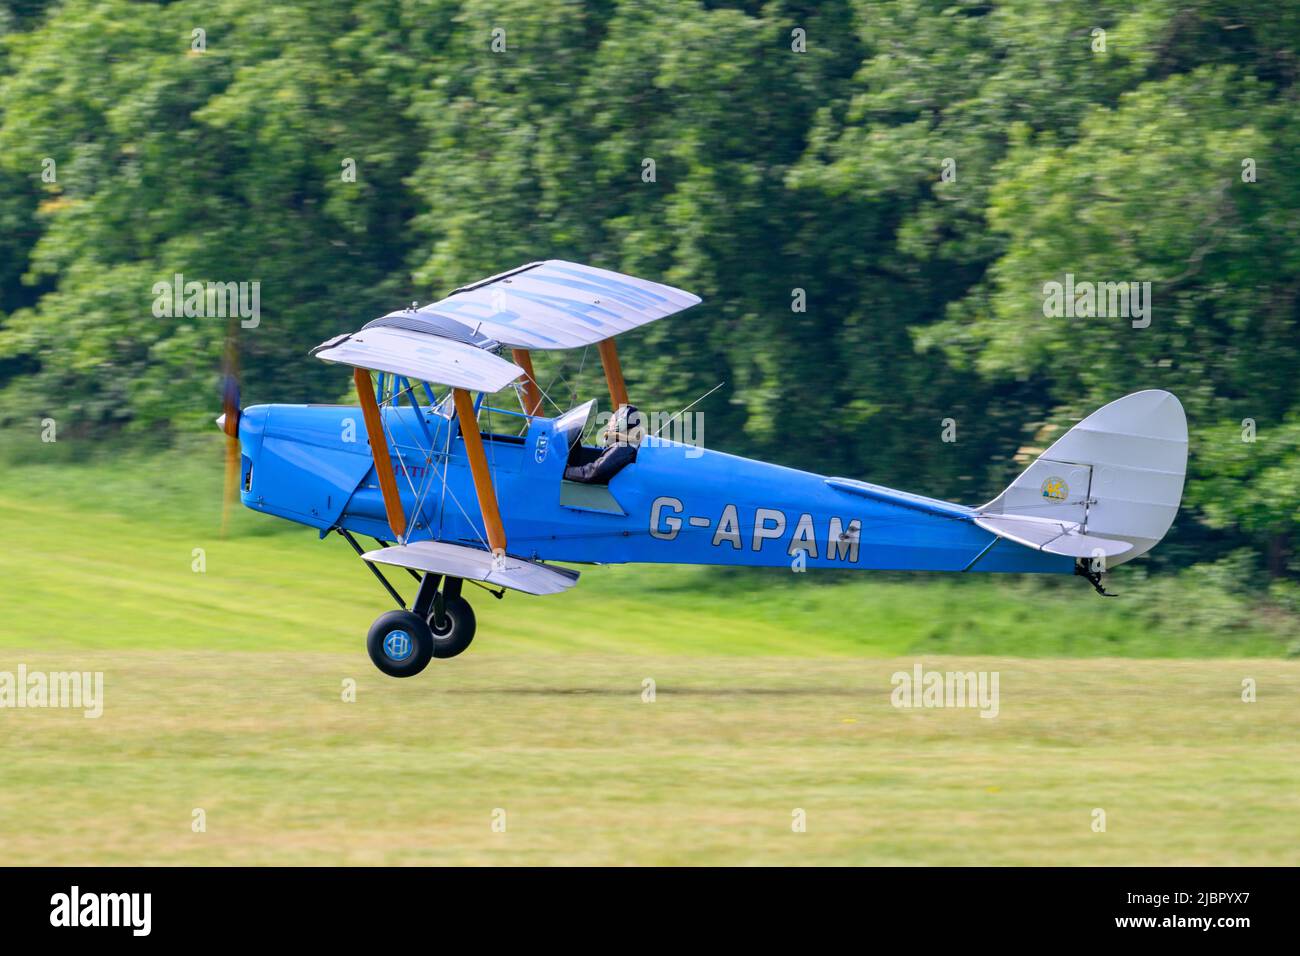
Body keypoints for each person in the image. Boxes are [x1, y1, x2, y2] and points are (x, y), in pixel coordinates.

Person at [564, 404, 643, 484]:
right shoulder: (626, 447)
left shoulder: (623, 449)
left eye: (611, 421)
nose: (608, 425)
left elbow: (592, 474)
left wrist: (564, 470)